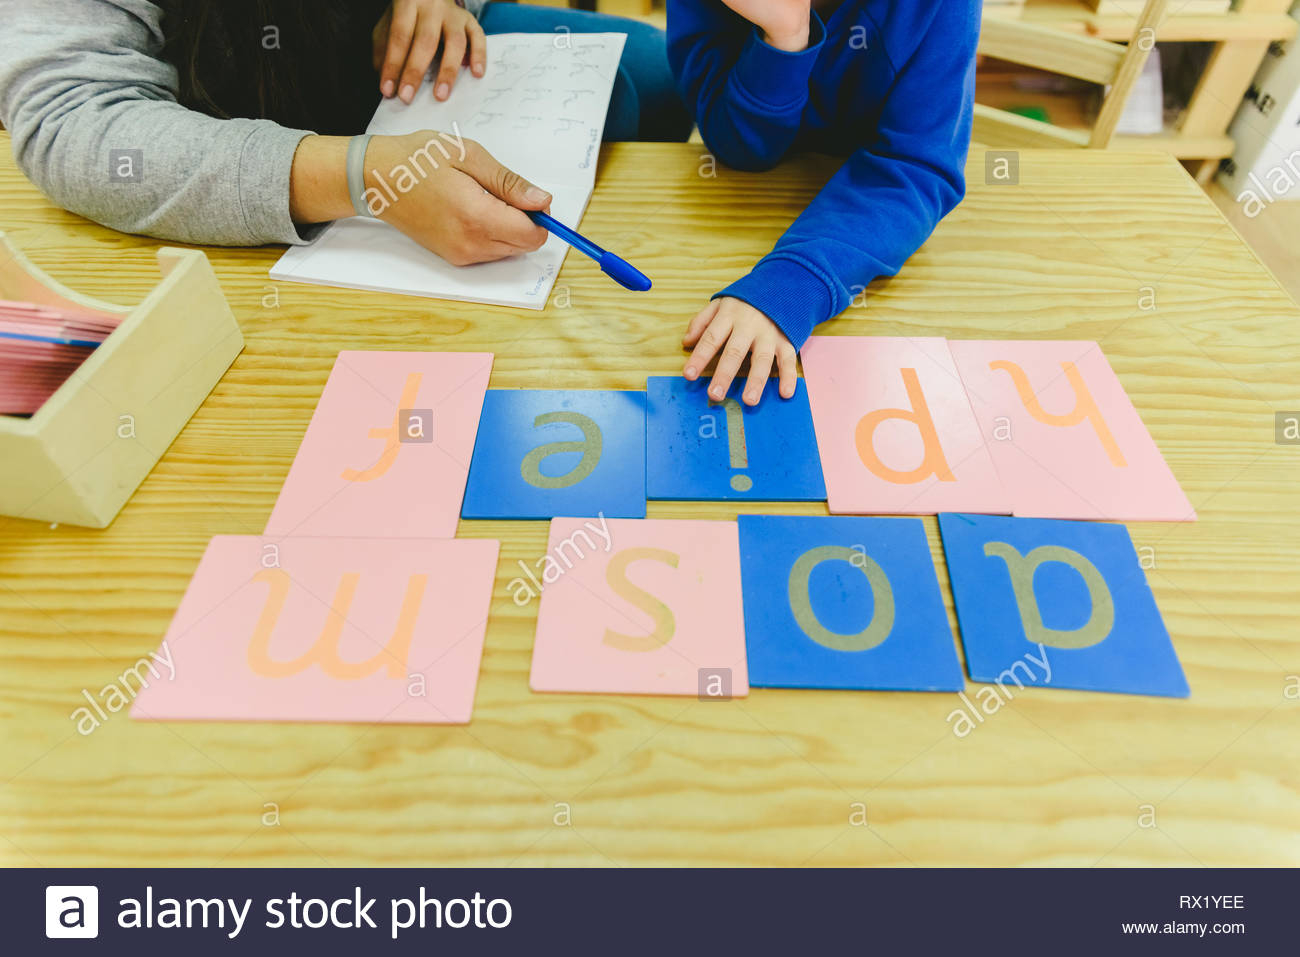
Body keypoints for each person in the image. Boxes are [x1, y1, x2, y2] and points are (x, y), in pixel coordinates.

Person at [0, 0, 691, 265]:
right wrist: (357, 175)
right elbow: (71, 118)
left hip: (404, 78)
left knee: (665, 72)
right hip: (231, 159)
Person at [667, 0, 980, 405]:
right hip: (735, 204)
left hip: (870, 245)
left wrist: (792, 284)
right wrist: (785, 37)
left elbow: (916, 168)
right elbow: (739, 149)